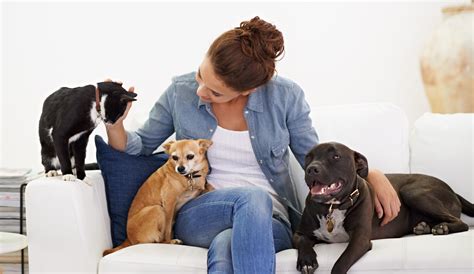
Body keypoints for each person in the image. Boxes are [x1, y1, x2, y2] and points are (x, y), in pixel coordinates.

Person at [106, 16, 401, 274]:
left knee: (227, 243)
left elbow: (315, 160)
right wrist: (114, 124)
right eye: (200, 75)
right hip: (201, 212)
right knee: (252, 198)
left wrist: (369, 175)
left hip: (271, 220)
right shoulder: (179, 92)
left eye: (215, 92)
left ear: (248, 90)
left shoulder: (285, 97)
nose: (200, 90)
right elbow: (140, 145)